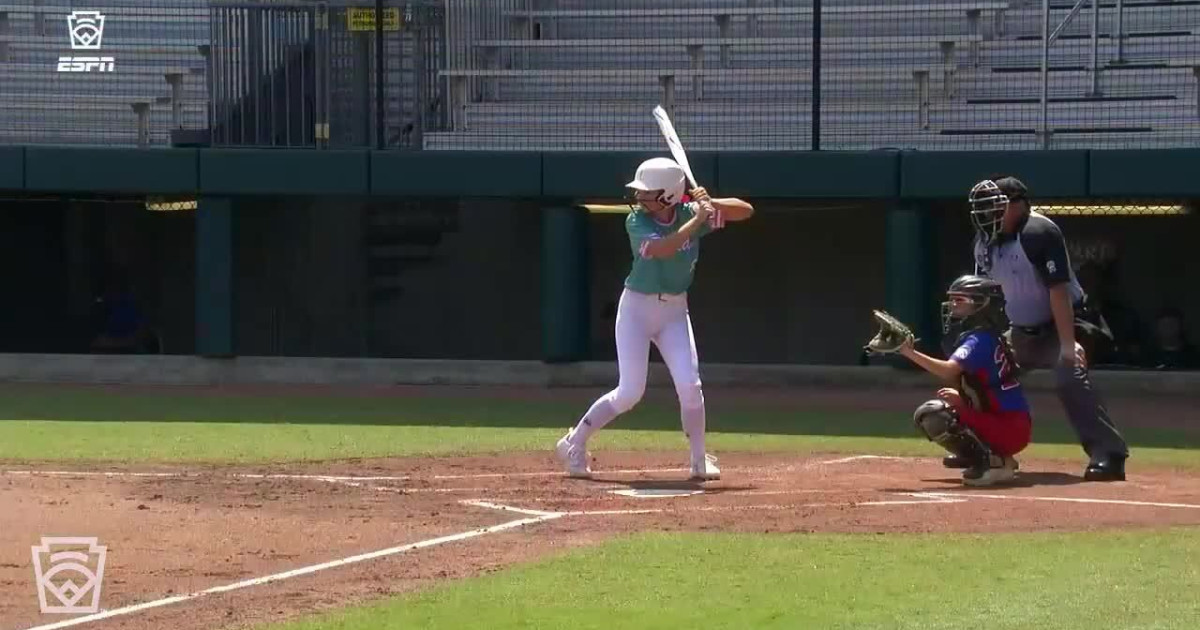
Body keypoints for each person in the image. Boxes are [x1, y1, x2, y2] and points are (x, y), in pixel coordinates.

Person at [554, 157, 754, 480]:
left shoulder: (691, 212)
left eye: (648, 192)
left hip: (674, 311)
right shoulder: (636, 221)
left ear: (669, 195)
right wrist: (698, 218)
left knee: (690, 385)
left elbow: (745, 211)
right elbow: (664, 249)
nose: (640, 197)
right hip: (636, 309)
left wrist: (710, 202)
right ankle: (573, 443)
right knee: (629, 392)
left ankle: (699, 459)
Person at [967, 176, 1129, 481]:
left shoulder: (1039, 232)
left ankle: (1109, 453)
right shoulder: (983, 242)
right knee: (975, 370)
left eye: (997, 206)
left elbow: (1058, 292)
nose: (989, 214)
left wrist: (1068, 345)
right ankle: (982, 448)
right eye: (986, 208)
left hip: (1065, 324)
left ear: (1019, 205)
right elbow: (986, 296)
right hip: (1019, 330)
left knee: (1069, 376)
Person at [879, 276, 1032, 486]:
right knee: (946, 408)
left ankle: (995, 463)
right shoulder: (987, 336)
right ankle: (996, 456)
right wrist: (962, 400)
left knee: (933, 415)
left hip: (1008, 427)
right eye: (952, 299)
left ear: (982, 305)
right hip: (1010, 424)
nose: (952, 305)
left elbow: (949, 371)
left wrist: (907, 351)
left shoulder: (979, 340)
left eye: (960, 300)